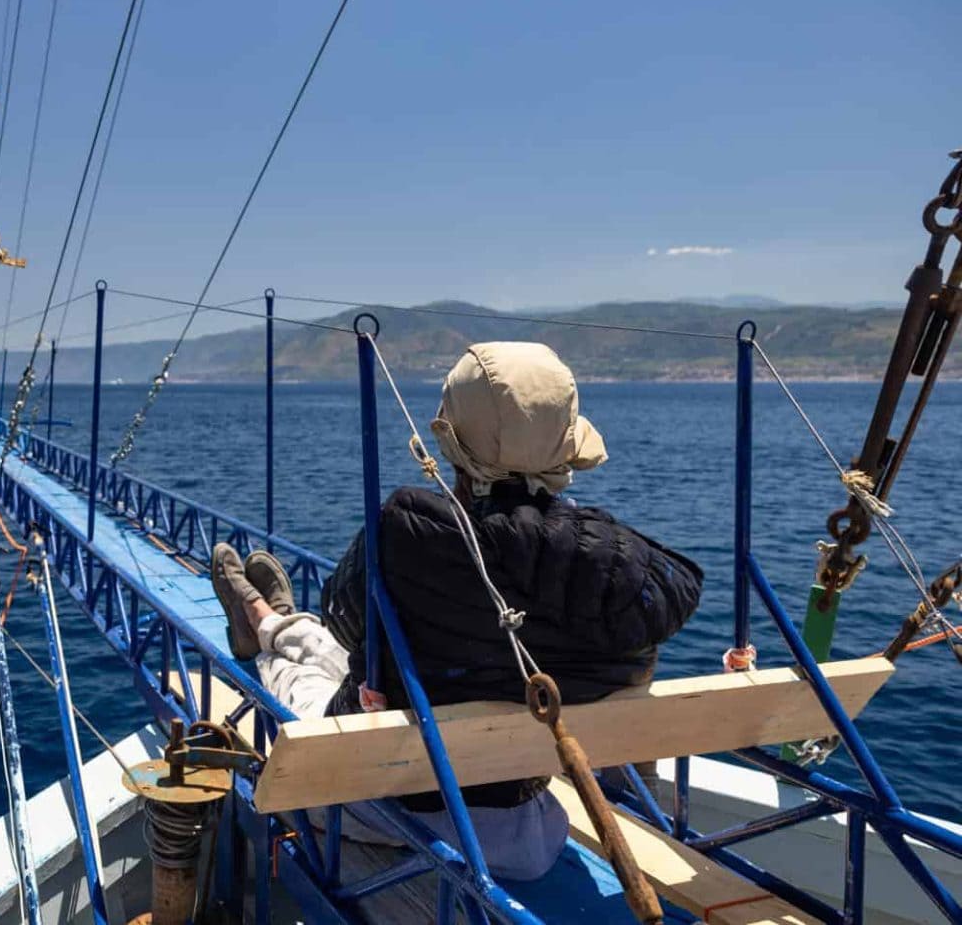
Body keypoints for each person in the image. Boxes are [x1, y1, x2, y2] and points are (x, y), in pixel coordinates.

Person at [209, 341, 703, 880]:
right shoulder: (627, 576)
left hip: (385, 805)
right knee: (367, 661)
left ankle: (265, 624)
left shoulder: (410, 534)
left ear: (452, 445)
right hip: (527, 820)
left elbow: (343, 617)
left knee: (303, 679)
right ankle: (278, 620)